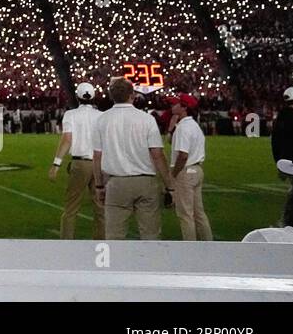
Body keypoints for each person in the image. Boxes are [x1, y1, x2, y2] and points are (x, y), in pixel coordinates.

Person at [92, 77, 174, 241]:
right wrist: (170, 186)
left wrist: (99, 185)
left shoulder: (102, 120)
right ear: (132, 95)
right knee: (150, 237)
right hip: (145, 181)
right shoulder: (146, 119)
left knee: (114, 238)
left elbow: (97, 156)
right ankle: (149, 266)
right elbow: (157, 154)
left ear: (111, 96)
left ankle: (117, 266)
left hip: (117, 182)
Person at [49, 83, 104, 239]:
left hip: (80, 163)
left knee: (71, 208)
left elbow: (67, 139)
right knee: (101, 209)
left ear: (78, 97)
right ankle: (102, 246)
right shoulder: (101, 116)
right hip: (99, 163)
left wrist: (56, 163)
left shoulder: (71, 115)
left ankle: (67, 245)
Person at [168, 93, 212, 241]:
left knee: (185, 214)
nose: (173, 106)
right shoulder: (194, 126)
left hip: (186, 171)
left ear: (184, 107)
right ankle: (209, 243)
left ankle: (189, 247)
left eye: (176, 104)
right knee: (199, 212)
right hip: (197, 169)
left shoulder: (183, 128)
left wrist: (173, 174)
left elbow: (183, 155)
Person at [272, 85, 293, 227]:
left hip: (286, 162)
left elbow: (275, 143)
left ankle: (290, 222)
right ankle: (289, 223)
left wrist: (279, 162)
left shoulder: (281, 118)